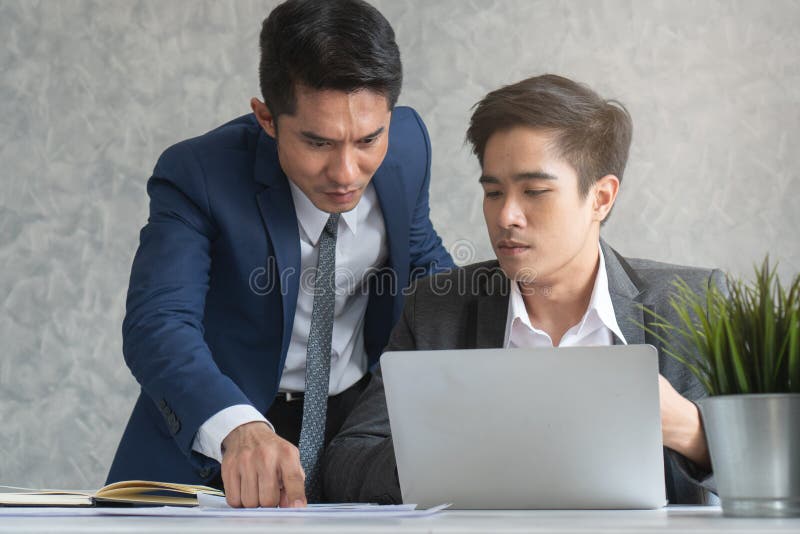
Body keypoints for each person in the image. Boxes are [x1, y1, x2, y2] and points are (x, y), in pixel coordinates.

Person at [106, 0, 454, 508]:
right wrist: (238, 427)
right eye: (318, 142)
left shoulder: (407, 147)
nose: (347, 172)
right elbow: (158, 322)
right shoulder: (198, 174)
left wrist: (488, 357)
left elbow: (423, 263)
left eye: (367, 139)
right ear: (266, 118)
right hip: (227, 431)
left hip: (360, 436)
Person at [323, 74, 724, 505]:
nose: (507, 215)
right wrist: (446, 454)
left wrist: (689, 429)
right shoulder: (438, 307)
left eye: (535, 191)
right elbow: (346, 464)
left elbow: (782, 466)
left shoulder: (695, 302)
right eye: (494, 192)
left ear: (601, 198)